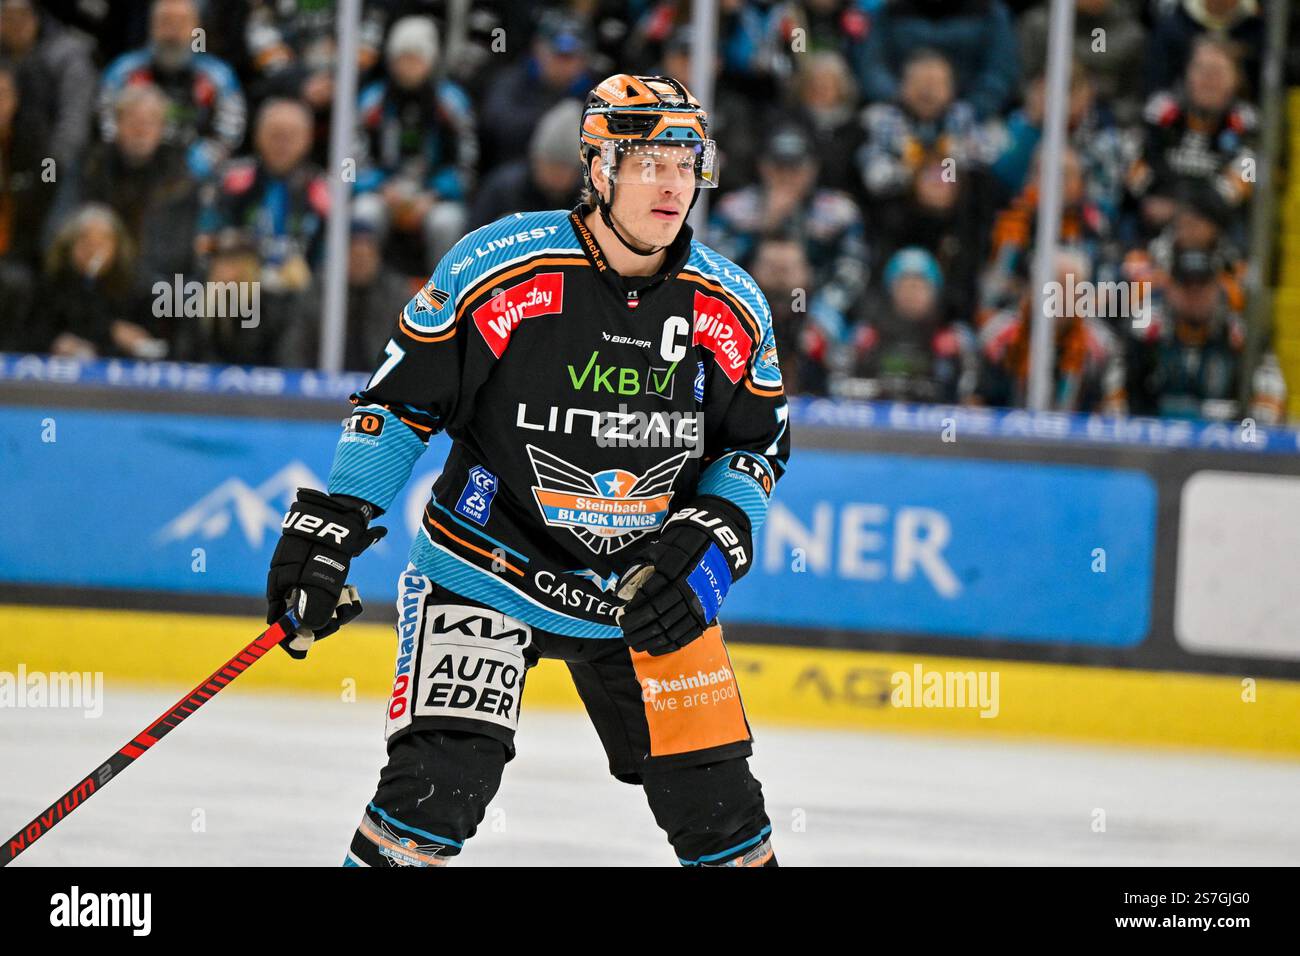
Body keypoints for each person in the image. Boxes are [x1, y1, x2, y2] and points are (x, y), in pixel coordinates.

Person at [264, 74, 789, 867]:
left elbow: (753, 451)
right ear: (599, 167)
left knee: (723, 815)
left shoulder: (731, 303)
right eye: (651, 161)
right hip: (486, 569)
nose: (674, 184)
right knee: (435, 791)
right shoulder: (500, 265)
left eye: (688, 163)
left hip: (642, 591)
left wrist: (710, 546)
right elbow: (400, 405)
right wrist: (338, 517)